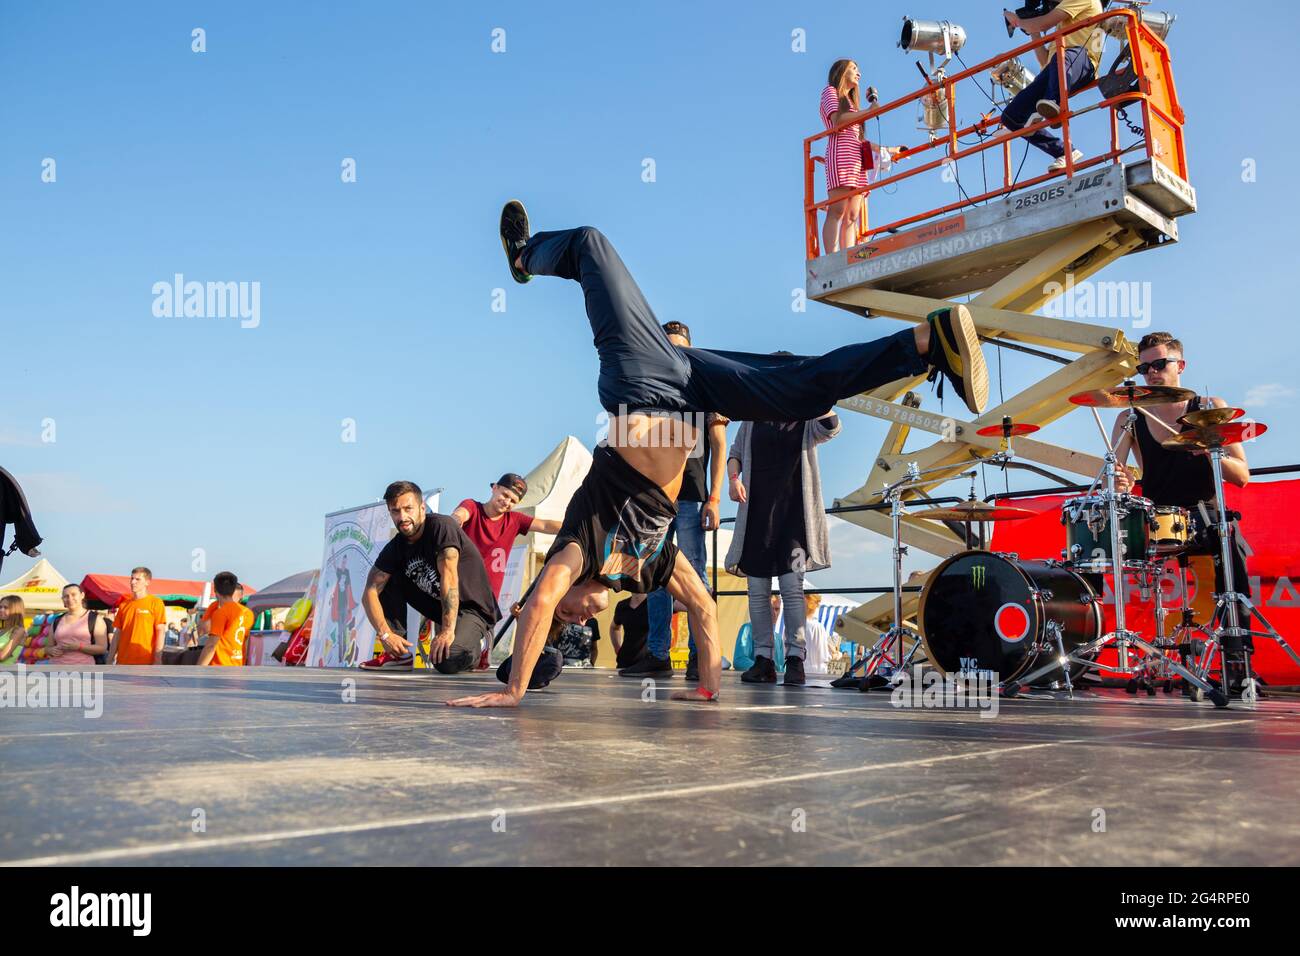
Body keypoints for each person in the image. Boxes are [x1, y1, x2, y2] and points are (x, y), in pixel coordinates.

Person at [444, 202, 989, 708]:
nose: (586, 613)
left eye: (574, 612)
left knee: (590, 242)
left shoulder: (578, 550)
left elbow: (538, 605)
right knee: (799, 388)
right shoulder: (648, 568)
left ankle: (523, 256)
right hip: (694, 390)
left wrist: (514, 690)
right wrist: (707, 688)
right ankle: (928, 344)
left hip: (642, 376)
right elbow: (704, 609)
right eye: (583, 616)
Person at [1110, 331, 1254, 696]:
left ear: (1181, 366)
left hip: (1205, 516)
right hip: (1156, 519)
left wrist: (1210, 450)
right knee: (1092, 550)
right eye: (1144, 368)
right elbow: (1114, 474)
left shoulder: (1208, 407)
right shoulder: (1132, 417)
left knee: (1230, 541)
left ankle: (1238, 657)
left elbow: (1243, 476)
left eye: (1159, 364)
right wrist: (1122, 483)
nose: (1151, 373)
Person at [625, 320, 729, 681]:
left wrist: (714, 497)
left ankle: (702, 656)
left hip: (690, 496)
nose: (674, 351)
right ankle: (657, 654)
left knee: (695, 574)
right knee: (653, 574)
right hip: (653, 497)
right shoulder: (650, 387)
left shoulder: (705, 384)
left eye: (680, 345)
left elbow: (719, 444)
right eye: (668, 345)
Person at [727, 409, 841, 686]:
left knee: (792, 590)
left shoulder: (806, 417)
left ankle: (795, 659)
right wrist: (733, 479)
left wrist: (819, 398)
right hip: (756, 516)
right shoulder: (752, 418)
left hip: (795, 519)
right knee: (757, 591)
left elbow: (831, 427)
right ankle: (763, 659)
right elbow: (736, 453)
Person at [363, 481, 502, 675]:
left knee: (446, 661)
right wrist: (386, 634)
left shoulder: (441, 527)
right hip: (440, 606)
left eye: (408, 509)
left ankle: (478, 649)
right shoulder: (396, 546)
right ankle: (399, 655)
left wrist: (446, 631)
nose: (402, 517)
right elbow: (369, 591)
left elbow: (450, 578)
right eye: (395, 511)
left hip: (472, 608)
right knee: (384, 581)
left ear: (421, 508)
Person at [1001, 0, 1105, 172]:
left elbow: (1043, 24)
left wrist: (1017, 20)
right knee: (1011, 117)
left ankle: (1052, 103)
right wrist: (1032, 29)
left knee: (1061, 54)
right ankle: (1065, 152)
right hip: (1060, 68)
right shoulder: (1062, 29)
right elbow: (1044, 62)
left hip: (1083, 62)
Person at [819, 60, 905, 254]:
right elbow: (837, 120)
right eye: (854, 69)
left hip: (856, 159)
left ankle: (849, 254)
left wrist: (890, 150)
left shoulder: (851, 103)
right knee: (838, 209)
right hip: (840, 154)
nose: (858, 73)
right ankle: (833, 257)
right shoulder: (830, 92)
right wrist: (867, 112)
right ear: (841, 72)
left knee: (852, 214)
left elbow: (860, 140)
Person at [106, 567, 168, 665]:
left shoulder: (156, 603)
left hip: (145, 661)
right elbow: (118, 633)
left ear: (147, 582)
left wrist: (158, 659)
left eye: (137, 579)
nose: (133, 582)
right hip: (123, 661)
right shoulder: (124, 604)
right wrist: (109, 659)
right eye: (132, 578)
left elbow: (160, 632)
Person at [41, 584, 111, 665]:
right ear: (62, 599)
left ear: (82, 595)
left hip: (83, 671)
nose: (70, 599)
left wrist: (79, 647)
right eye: (66, 596)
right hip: (56, 670)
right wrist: (50, 650)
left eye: (73, 594)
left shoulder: (95, 619)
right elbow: (48, 647)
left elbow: (102, 648)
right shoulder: (57, 620)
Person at [197, 572, 255, 666]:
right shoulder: (248, 613)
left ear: (215, 591)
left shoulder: (220, 612)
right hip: (238, 665)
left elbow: (211, 645)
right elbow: (246, 641)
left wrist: (197, 670)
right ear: (233, 590)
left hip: (220, 666)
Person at [801, 592, 841, 676]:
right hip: (815, 673)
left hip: (798, 672)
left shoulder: (792, 625)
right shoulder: (816, 626)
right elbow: (823, 656)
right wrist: (836, 655)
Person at [611, 592, 650, 672]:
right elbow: (614, 628)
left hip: (648, 664)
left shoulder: (655, 603)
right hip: (625, 663)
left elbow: (680, 603)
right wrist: (618, 648)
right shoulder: (622, 605)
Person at [0, 595, 28, 664]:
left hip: (5, 673)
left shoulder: (19, 630)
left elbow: (2, 656)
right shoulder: (1, 630)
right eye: (0, 607)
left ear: (15, 609)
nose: (1, 610)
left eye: (6, 607)